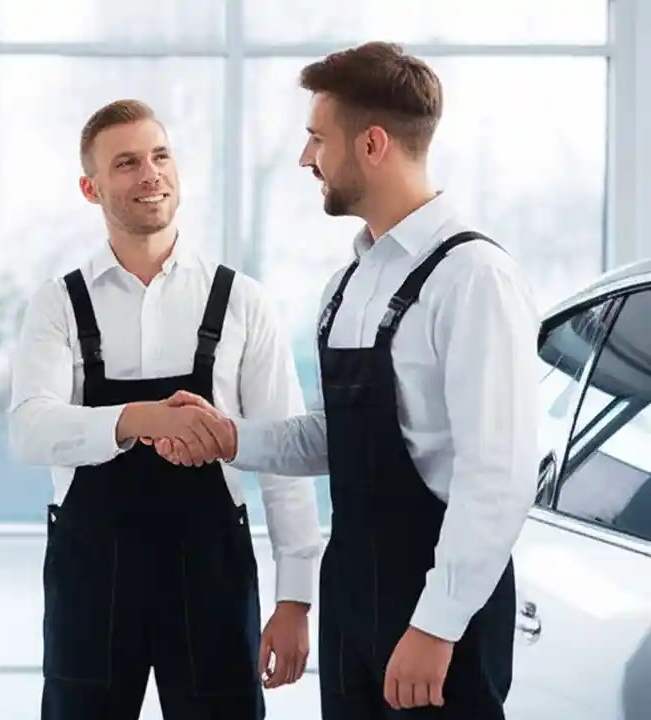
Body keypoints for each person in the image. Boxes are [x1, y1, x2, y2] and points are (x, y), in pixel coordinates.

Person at [152, 42, 540, 718]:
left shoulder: (474, 279)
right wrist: (230, 437)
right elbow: (339, 437)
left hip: (436, 605)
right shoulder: (348, 284)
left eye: (317, 137)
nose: (307, 158)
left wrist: (437, 624)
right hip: (352, 596)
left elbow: (498, 477)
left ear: (372, 144)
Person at [8, 98, 323, 720]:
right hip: (92, 579)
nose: (150, 174)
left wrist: (295, 599)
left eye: (160, 156)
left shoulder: (241, 301)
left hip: (211, 578)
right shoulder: (59, 304)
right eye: (126, 163)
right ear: (91, 188)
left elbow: (283, 454)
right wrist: (141, 419)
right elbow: (29, 428)